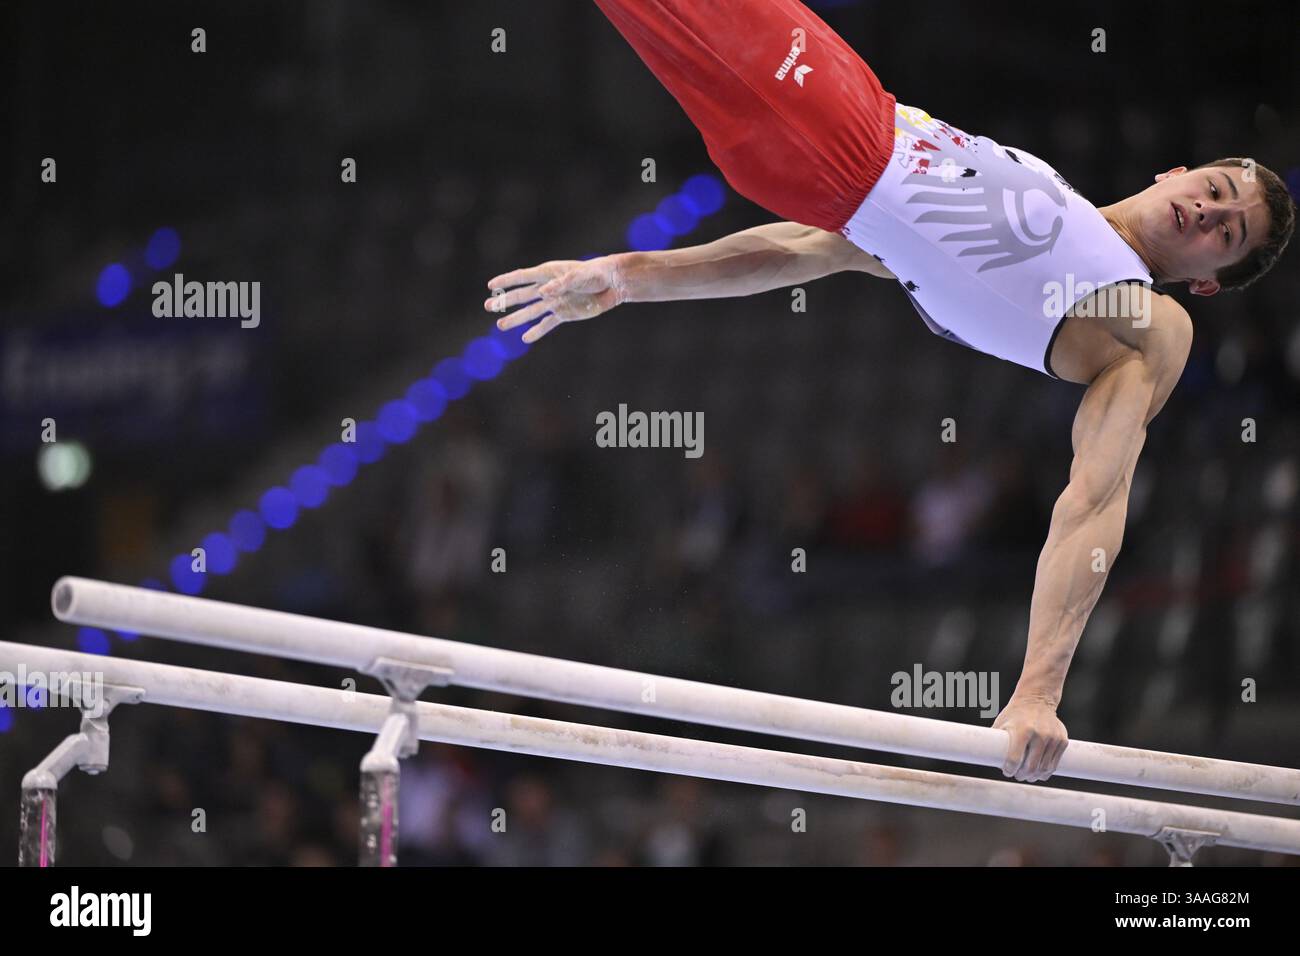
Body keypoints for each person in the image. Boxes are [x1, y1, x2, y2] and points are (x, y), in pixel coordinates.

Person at [483, 0, 1295, 783]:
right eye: (1219, 189)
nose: (1207, 212)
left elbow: (1093, 499)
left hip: (831, 136)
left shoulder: (1144, 322)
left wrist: (1037, 692)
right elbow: (814, 249)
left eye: (1228, 235)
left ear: (1210, 285)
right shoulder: (1050, 192)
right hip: (833, 126)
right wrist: (629, 276)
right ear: (1177, 171)